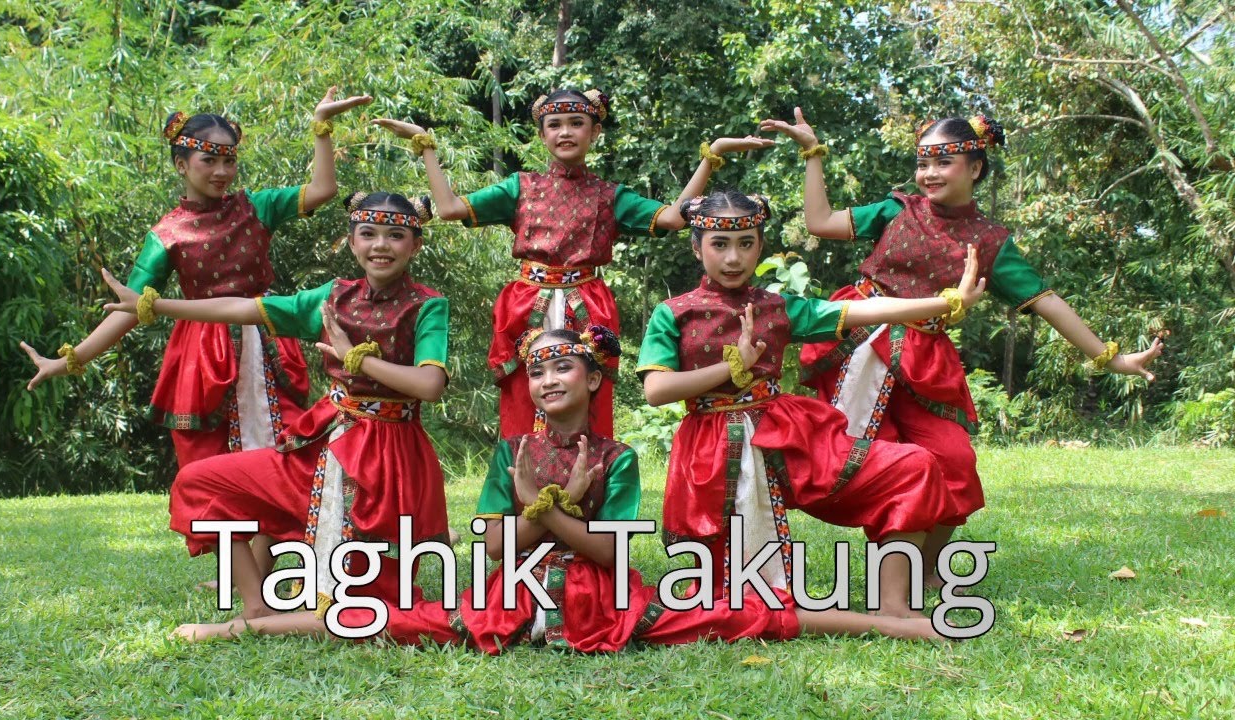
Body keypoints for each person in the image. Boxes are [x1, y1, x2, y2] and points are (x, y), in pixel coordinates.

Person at [171, 328, 941, 644]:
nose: (545, 378)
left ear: (593, 377)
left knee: (738, 610)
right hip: (510, 599)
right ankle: (244, 625)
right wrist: (552, 505)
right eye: (535, 369)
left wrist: (561, 509)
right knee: (390, 619)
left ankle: (888, 623)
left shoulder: (620, 456)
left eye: (561, 365)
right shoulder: (510, 452)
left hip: (607, 604)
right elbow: (500, 546)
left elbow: (610, 557)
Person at [762, 109, 1164, 586]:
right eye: (923, 162)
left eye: (944, 161)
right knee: (874, 460)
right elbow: (820, 221)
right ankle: (887, 578)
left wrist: (1110, 357)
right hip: (860, 345)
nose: (929, 173)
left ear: (974, 167)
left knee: (953, 460)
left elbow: (1047, 301)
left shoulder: (991, 241)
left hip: (923, 361)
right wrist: (813, 152)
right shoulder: (898, 210)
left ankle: (926, 572)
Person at [102, 191, 449, 620]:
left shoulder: (427, 305)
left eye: (396, 235)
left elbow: (430, 384)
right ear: (352, 241)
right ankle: (256, 606)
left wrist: (358, 359)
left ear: (415, 245)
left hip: (388, 458)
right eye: (369, 233)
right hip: (322, 441)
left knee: (368, 601)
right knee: (200, 481)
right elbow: (241, 307)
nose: (381, 245)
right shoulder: (332, 298)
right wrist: (155, 306)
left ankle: (284, 613)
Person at [638, 190, 987, 616]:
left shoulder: (778, 307)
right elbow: (656, 390)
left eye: (746, 243)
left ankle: (892, 605)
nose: (733, 258)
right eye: (720, 244)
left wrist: (947, 302)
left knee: (912, 466)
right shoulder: (673, 313)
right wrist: (732, 369)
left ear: (760, 246)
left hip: (785, 437)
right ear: (697, 247)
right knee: (724, 601)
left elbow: (871, 310)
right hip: (711, 454)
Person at [373, 88, 772, 437]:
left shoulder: (608, 195)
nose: (565, 132)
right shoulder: (520, 187)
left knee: (591, 393)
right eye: (555, 124)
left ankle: (591, 499)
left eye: (577, 123)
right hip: (526, 304)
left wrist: (711, 156)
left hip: (588, 303)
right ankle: (520, 497)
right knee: (521, 393)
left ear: (594, 132)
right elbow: (449, 208)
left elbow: (671, 218)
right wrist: (426, 146)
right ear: (542, 133)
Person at [21, 88, 372, 470]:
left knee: (286, 441)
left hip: (268, 329)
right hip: (204, 350)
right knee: (208, 450)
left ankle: (281, 526)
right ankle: (219, 529)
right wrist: (71, 360)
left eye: (229, 160)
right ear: (181, 165)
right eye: (209, 160)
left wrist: (321, 126)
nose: (222, 172)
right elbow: (132, 308)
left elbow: (323, 190)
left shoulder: (256, 207)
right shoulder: (167, 235)